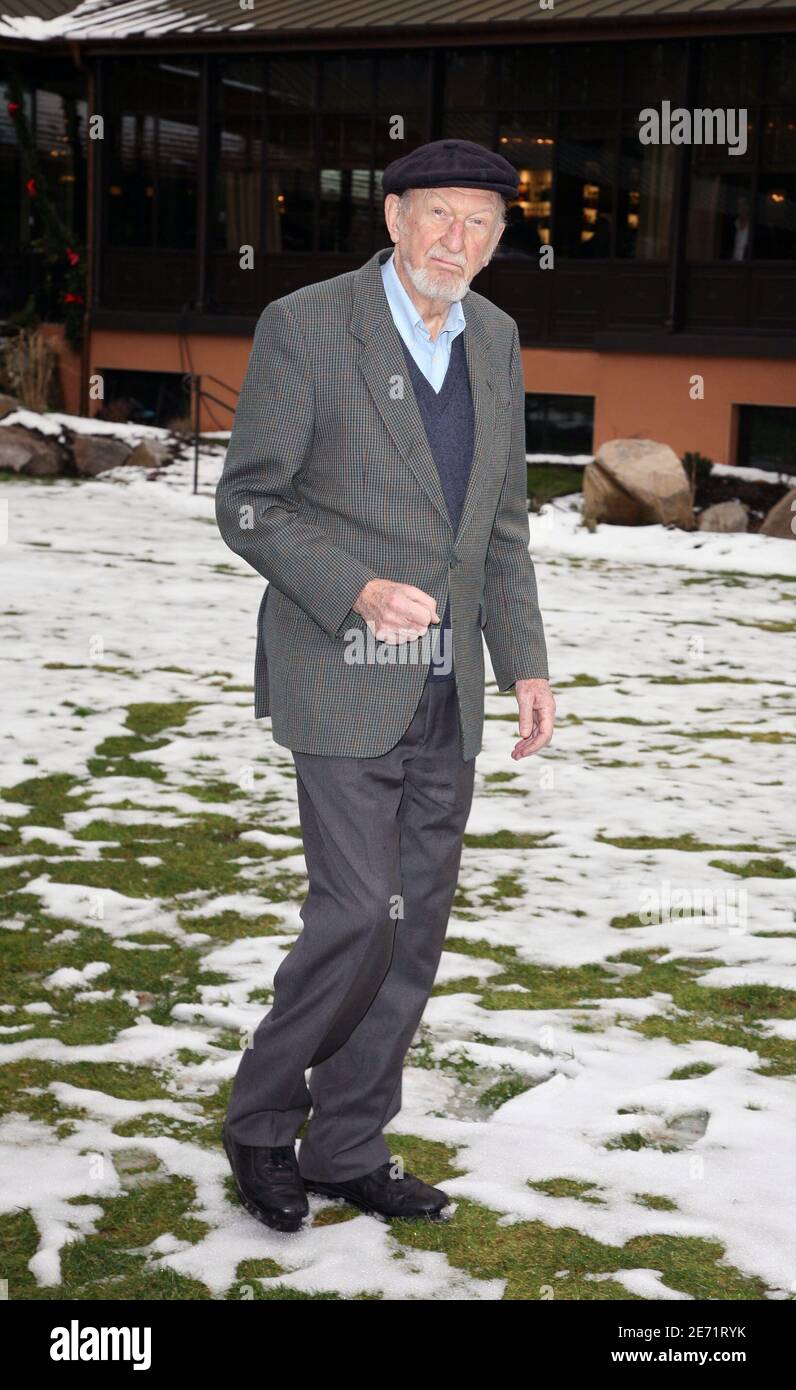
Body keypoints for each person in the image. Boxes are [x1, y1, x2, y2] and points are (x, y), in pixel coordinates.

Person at [214, 137, 555, 1231]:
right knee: (357, 913)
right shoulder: (306, 326)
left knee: (411, 932)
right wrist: (354, 586)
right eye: (442, 216)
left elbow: (498, 523)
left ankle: (347, 1141)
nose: (460, 241)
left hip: (447, 685)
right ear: (395, 217)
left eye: (484, 224)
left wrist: (528, 661)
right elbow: (253, 502)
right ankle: (262, 1123)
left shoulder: (495, 336)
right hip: (342, 668)